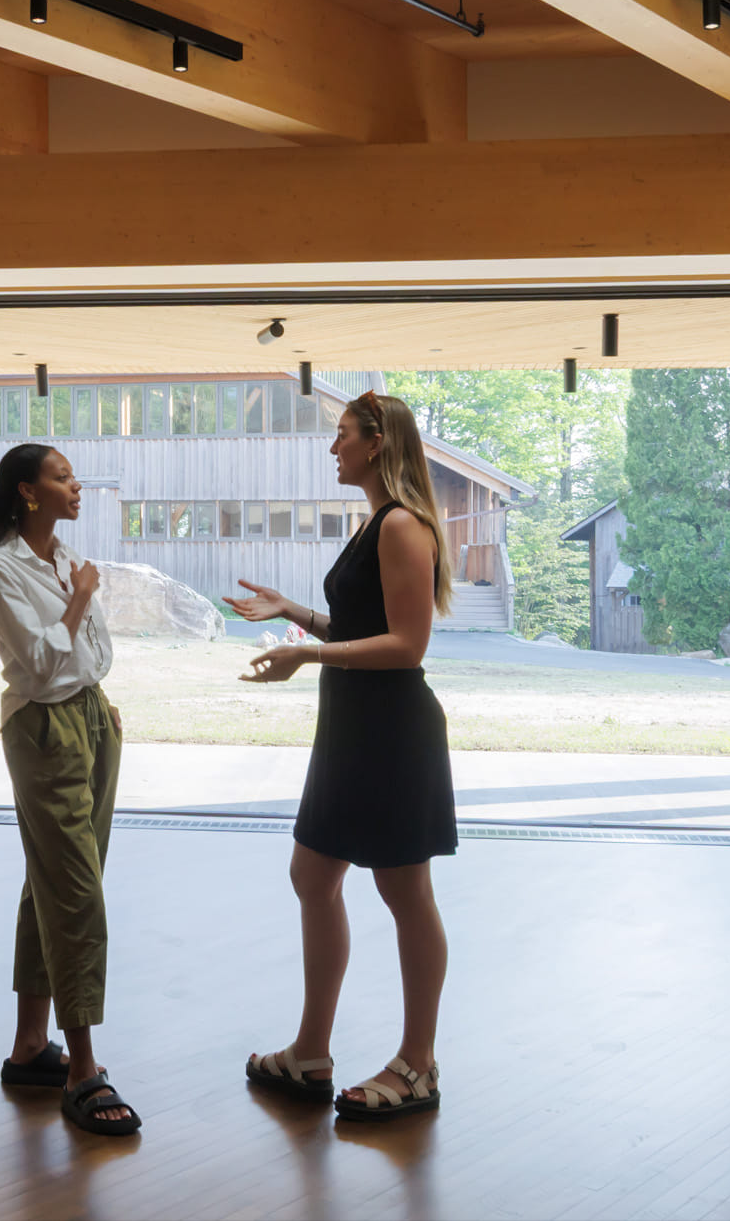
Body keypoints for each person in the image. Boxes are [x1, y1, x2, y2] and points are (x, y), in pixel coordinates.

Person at [228, 388, 455, 1123]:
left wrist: (308, 653)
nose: (334, 448)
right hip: (355, 725)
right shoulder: (376, 525)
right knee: (313, 873)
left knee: (403, 892)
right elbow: (364, 623)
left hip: (391, 730)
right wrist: (295, 614)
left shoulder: (401, 527)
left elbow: (407, 646)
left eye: (343, 434)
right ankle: (311, 1053)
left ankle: (418, 1066)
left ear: (378, 442)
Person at [0, 444, 138, 1138]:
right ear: (27, 492)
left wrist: (97, 699)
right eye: (63, 477)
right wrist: (78, 602)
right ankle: (83, 1070)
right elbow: (41, 666)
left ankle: (31, 1048)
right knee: (75, 890)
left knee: (55, 880)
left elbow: (91, 655)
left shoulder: (68, 560)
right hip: (42, 727)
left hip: (93, 718)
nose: (77, 486)